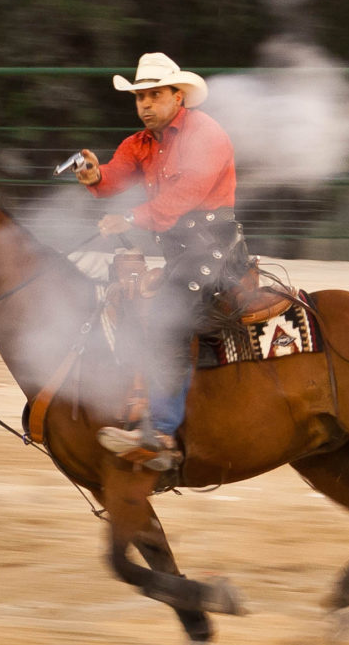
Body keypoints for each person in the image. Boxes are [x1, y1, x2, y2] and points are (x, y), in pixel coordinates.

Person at [73, 52, 242, 472]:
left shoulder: (207, 135)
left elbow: (183, 198)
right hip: (182, 251)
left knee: (168, 317)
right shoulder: (139, 143)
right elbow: (114, 175)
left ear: (177, 96)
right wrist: (96, 177)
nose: (145, 104)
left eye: (154, 95)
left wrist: (129, 217)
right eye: (139, 97)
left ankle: (161, 433)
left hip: (213, 249)